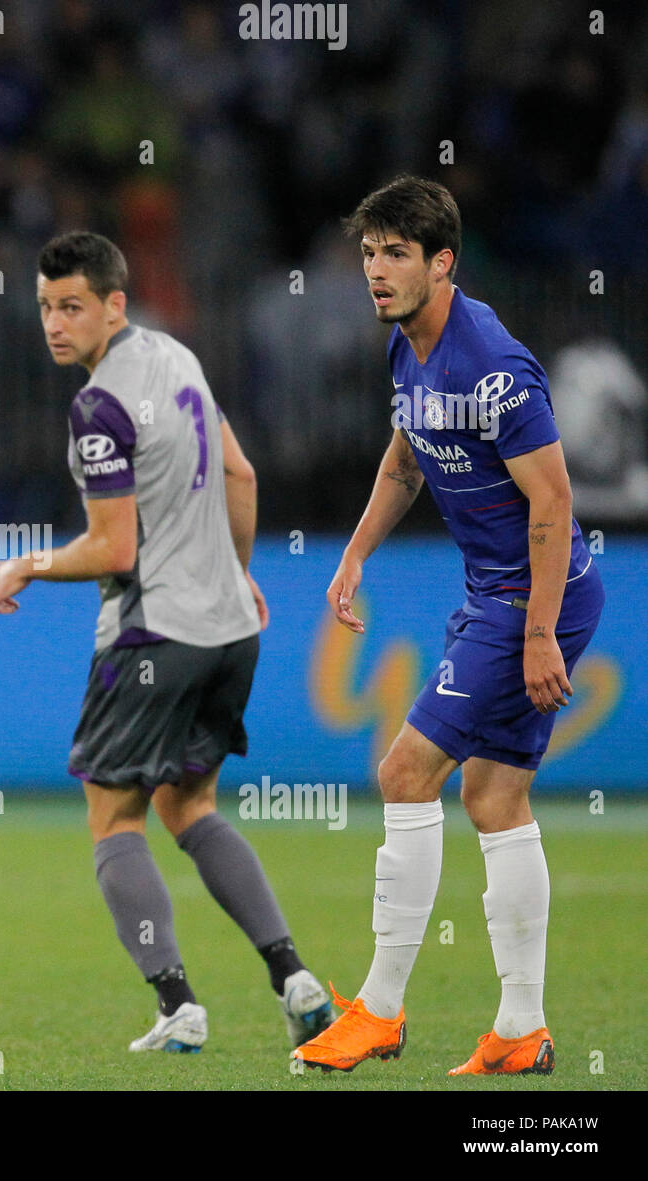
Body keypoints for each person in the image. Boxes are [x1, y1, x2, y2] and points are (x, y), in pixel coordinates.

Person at [0, 230, 331, 1053]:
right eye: (44, 307)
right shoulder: (177, 358)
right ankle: (294, 977)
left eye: (72, 306)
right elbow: (242, 476)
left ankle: (176, 1003)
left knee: (114, 818)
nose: (55, 323)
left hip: (153, 637)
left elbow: (114, 549)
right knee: (190, 803)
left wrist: (28, 563)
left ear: (115, 304)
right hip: (229, 632)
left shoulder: (97, 407)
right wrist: (235, 572)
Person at [293, 175, 603, 1076]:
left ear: (443, 263)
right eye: (367, 254)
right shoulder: (408, 350)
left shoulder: (491, 363)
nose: (377, 272)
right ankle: (522, 1028)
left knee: (403, 771)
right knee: (494, 797)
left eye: (395, 254)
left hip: (527, 597)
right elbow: (406, 457)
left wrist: (539, 631)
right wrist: (354, 553)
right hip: (506, 594)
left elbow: (552, 499)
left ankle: (379, 1011)